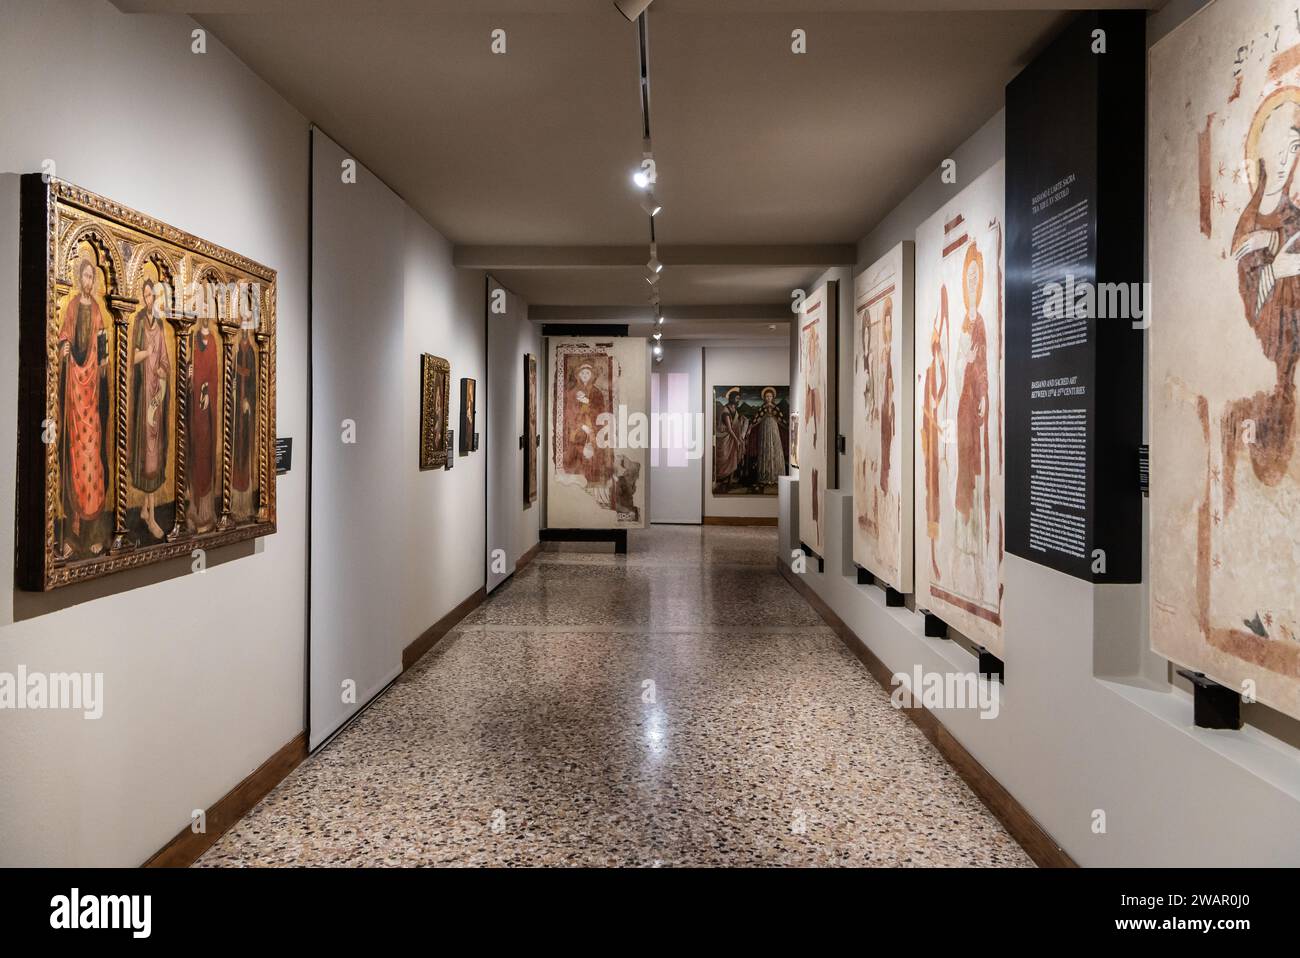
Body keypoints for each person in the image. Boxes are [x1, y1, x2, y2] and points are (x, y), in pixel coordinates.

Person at [57, 257, 110, 557]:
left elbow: (102, 345)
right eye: (85, 276)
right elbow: (65, 335)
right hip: (75, 393)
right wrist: (63, 347)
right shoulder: (74, 307)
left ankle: (94, 530)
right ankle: (71, 533)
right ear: (79, 279)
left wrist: (102, 362)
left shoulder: (98, 311)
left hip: (91, 394)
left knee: (92, 456)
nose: (89, 281)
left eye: (92, 276)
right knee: (75, 455)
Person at [955, 242, 991, 597]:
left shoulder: (980, 324)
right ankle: (963, 536)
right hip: (961, 413)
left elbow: (984, 366)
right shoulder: (964, 326)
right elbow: (955, 369)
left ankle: (976, 539)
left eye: (976, 279)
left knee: (975, 473)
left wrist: (982, 394)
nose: (971, 285)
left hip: (975, 413)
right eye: (968, 279)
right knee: (963, 476)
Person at [129, 279, 171, 539]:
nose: (149, 300)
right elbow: (131, 356)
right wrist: (146, 354)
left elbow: (165, 359)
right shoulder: (138, 323)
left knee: (155, 451)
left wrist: (162, 368)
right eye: (146, 295)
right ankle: (151, 516)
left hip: (157, 396)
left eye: (152, 296)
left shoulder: (162, 324)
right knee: (147, 453)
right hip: (143, 396)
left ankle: (148, 510)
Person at [188, 310, 220, 531]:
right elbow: (188, 368)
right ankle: (192, 510)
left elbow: (214, 376)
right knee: (192, 451)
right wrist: (189, 376)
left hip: (206, 411)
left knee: (205, 455)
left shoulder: (214, 342)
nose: (206, 315)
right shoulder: (192, 339)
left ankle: (206, 511)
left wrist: (208, 392)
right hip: (193, 409)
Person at [563, 361, 612, 489]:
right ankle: (576, 478)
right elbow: (569, 412)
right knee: (576, 446)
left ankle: (592, 478)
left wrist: (588, 403)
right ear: (578, 375)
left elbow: (600, 411)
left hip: (592, 427)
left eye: (587, 373)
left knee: (593, 449)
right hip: (578, 427)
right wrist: (580, 425)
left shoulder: (596, 392)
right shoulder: (573, 392)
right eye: (582, 373)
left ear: (592, 375)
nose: (585, 375)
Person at [232, 326, 258, 518]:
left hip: (246, 409)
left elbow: (253, 380)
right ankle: (234, 501)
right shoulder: (236, 351)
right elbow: (233, 377)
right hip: (235, 409)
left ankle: (246, 502)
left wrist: (247, 399)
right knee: (235, 450)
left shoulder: (250, 353)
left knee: (244, 451)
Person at [714, 387, 748, 491]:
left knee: (733, 457)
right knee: (725, 457)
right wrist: (737, 440)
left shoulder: (734, 409)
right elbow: (729, 428)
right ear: (732, 398)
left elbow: (735, 422)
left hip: (733, 437)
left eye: (739, 398)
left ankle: (730, 481)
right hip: (726, 437)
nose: (738, 400)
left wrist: (742, 420)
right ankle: (721, 479)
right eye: (737, 398)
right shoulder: (725, 410)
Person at [753, 386, 786, 488]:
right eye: (766, 396)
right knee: (765, 448)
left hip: (773, 427)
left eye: (770, 396)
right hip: (764, 428)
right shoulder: (762, 408)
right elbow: (756, 419)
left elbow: (781, 418)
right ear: (764, 398)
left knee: (775, 447)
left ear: (773, 397)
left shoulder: (775, 408)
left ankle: (775, 475)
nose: (768, 398)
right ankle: (765, 477)